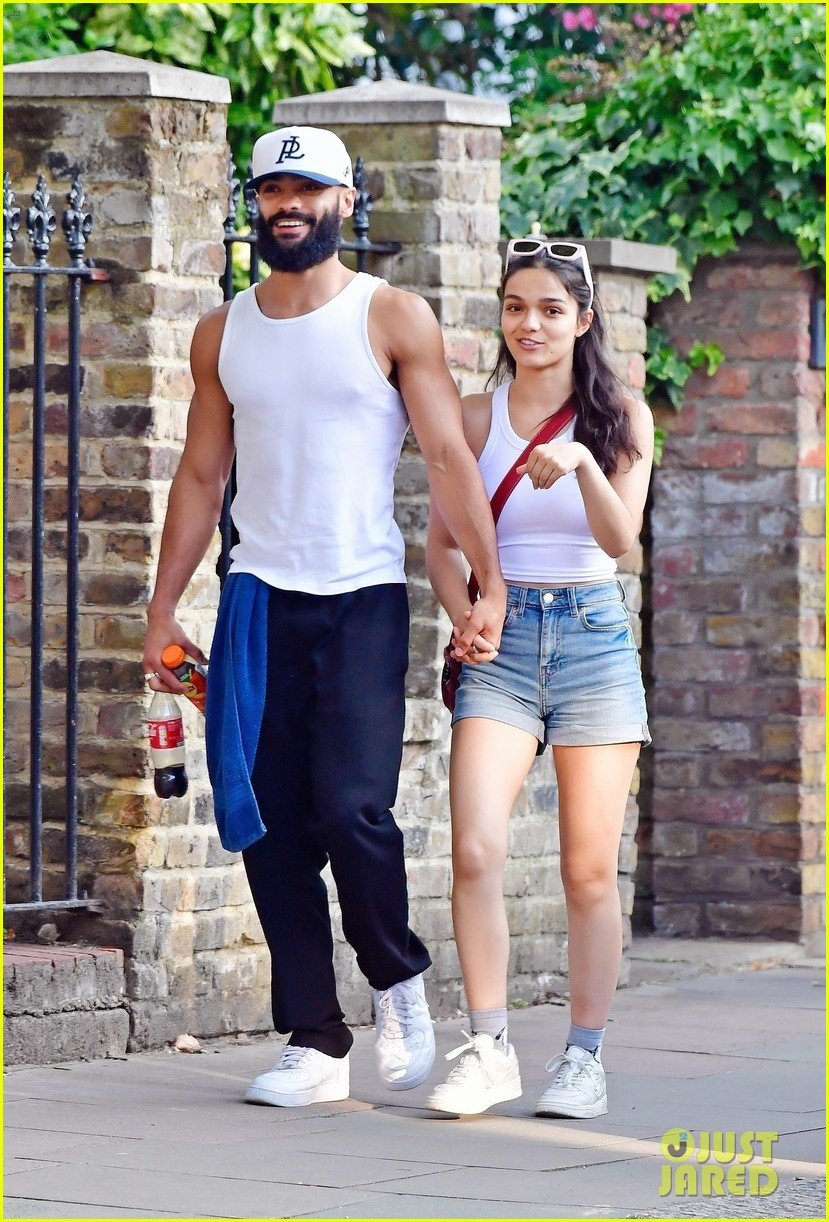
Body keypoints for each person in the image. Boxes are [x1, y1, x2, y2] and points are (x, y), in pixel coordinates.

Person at [142, 126, 507, 1108]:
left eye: (307, 188)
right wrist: (164, 603)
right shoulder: (222, 331)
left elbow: (444, 459)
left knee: (352, 807)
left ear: (345, 200)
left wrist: (490, 582)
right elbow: (199, 472)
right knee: (266, 823)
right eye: (271, 189)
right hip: (259, 597)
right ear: (254, 204)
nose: (287, 204)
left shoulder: (391, 317)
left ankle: (394, 975)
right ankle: (314, 1038)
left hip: (360, 600)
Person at [424, 238, 653, 1119]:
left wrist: (587, 464)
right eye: (516, 307)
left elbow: (617, 542)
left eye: (551, 310)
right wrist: (468, 612)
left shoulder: (621, 419)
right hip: (504, 649)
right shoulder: (476, 421)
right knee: (474, 848)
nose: (531, 324)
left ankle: (583, 1059)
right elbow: (442, 547)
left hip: (593, 641)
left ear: (583, 320)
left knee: (588, 871)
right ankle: (486, 1048)